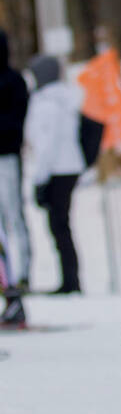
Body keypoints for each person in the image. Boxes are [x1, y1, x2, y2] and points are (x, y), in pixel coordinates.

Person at [24, 55, 85, 295]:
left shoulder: (47, 104)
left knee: (59, 226)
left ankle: (70, 281)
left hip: (56, 170)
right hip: (68, 167)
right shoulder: (65, 100)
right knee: (62, 226)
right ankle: (70, 279)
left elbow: (45, 145)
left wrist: (40, 180)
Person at [0, 30, 31, 326]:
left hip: (6, 159)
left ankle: (18, 283)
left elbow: (15, 123)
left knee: (12, 220)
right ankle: (9, 288)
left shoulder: (12, 82)